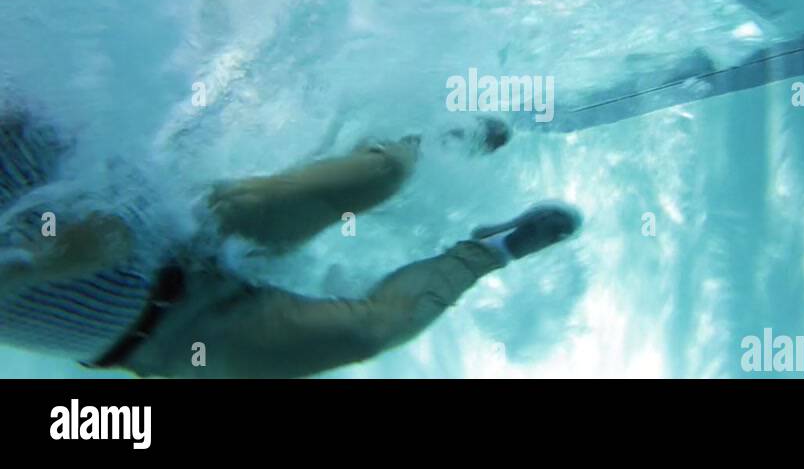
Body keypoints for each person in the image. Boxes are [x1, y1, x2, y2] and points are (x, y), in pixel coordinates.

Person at [0, 107, 581, 378]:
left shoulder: (18, 120)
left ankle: (428, 144)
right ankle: (490, 250)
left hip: (188, 231)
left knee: (382, 177)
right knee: (364, 330)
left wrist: (33, 262)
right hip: (175, 343)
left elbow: (119, 217)